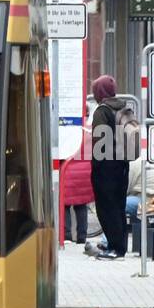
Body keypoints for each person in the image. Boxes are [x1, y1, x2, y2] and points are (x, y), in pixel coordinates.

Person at [84, 75, 131, 259]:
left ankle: (114, 248)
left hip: (106, 167)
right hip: (123, 164)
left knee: (106, 207)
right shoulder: (124, 107)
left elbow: (99, 143)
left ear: (99, 92)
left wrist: (95, 167)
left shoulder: (102, 111)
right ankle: (120, 247)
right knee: (119, 206)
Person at [59, 143, 94, 244]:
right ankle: (82, 236)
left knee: (64, 204)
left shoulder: (67, 132)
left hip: (68, 170)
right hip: (85, 171)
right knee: (81, 205)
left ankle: (66, 235)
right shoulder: (86, 132)